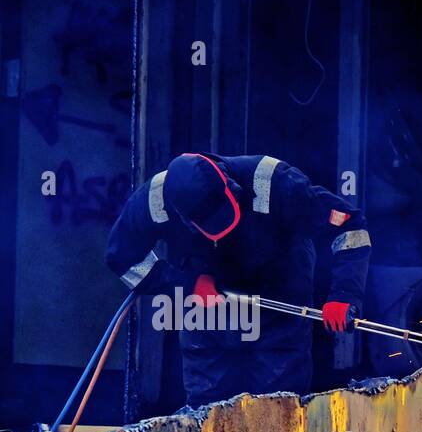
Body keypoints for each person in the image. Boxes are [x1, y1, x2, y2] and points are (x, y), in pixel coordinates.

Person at [106, 152, 371, 407]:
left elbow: (350, 226)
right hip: (208, 309)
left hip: (278, 298)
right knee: (207, 413)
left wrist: (344, 295)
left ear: (231, 188)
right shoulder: (154, 199)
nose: (221, 234)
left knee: (277, 408)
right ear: (183, 217)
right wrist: (186, 285)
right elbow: (122, 259)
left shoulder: (271, 181)